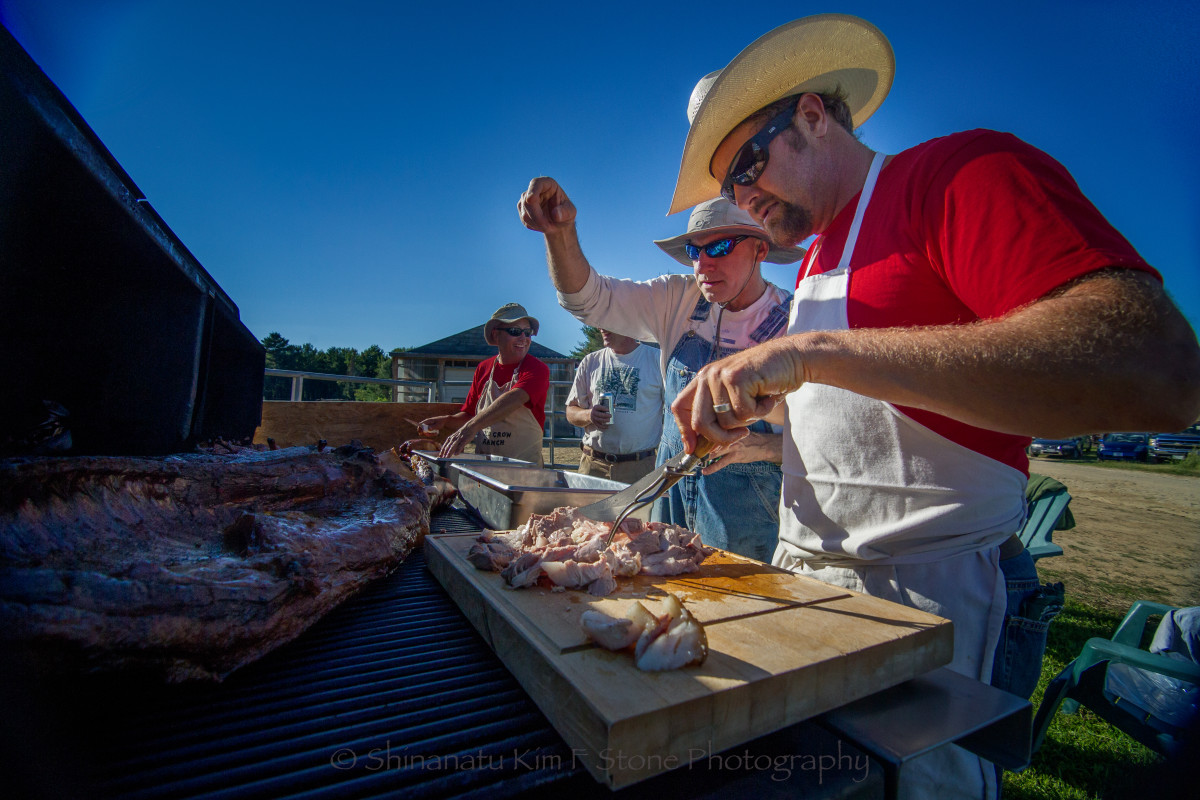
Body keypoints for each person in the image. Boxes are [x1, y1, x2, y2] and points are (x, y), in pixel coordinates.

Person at [662, 13, 1200, 800]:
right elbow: (876, 430)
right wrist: (763, 442)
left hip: (933, 606)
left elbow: (1157, 369)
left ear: (813, 113)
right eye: (730, 185)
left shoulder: (957, 173)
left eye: (749, 163)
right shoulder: (816, 255)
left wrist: (809, 355)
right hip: (810, 587)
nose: (743, 197)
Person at [519, 191, 804, 561]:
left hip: (748, 519)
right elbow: (587, 300)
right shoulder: (678, 299)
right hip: (668, 504)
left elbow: (826, 439)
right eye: (694, 251)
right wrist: (558, 234)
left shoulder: (798, 323)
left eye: (719, 247)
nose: (702, 265)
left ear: (760, 249)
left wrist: (762, 448)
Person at [421, 303, 549, 467]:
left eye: (528, 332)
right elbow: (470, 415)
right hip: (484, 469)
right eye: (515, 331)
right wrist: (447, 420)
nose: (523, 338)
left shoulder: (537, 369)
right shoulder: (484, 369)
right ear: (496, 335)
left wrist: (471, 428)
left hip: (524, 473)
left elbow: (514, 398)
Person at [566, 329, 664, 484]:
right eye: (600, 323)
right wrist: (589, 415)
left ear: (629, 322)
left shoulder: (658, 360)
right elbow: (571, 411)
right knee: (583, 509)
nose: (602, 328)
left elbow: (675, 411)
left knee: (639, 510)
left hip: (640, 469)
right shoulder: (591, 361)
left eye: (609, 321)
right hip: (593, 467)